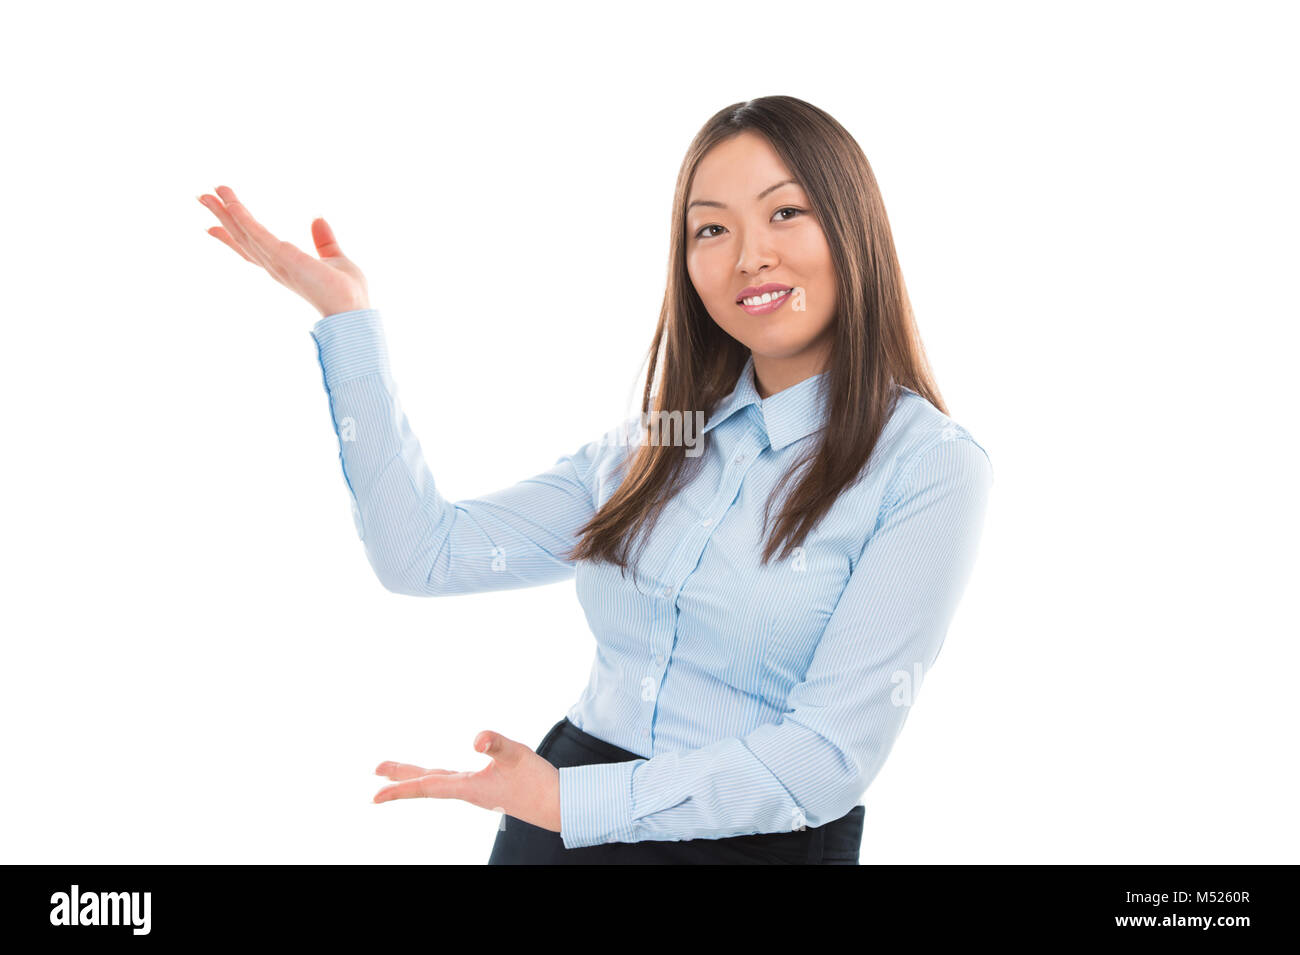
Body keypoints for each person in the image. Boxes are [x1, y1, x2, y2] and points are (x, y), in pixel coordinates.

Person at [198, 95, 993, 864]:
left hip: (743, 843)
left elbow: (825, 761)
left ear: (854, 225)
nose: (751, 254)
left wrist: (573, 804)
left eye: (786, 212)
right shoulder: (653, 446)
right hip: (557, 819)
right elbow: (424, 556)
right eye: (711, 228)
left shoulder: (928, 466)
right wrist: (348, 323)